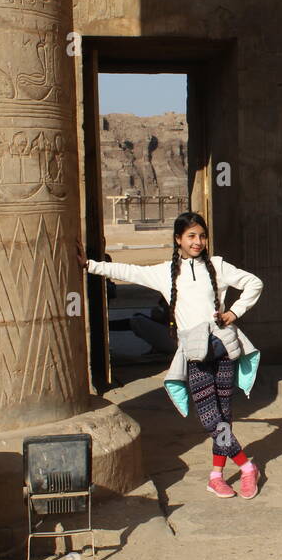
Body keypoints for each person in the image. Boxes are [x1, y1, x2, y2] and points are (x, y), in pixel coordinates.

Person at [77, 212, 265, 499]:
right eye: (191, 236)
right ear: (178, 239)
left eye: (202, 236)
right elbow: (128, 272)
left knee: (224, 416)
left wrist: (233, 312)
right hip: (194, 353)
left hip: (223, 349)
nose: (198, 241)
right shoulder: (165, 273)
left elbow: (254, 283)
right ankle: (246, 465)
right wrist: (90, 265)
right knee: (210, 418)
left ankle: (216, 476)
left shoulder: (218, 266)